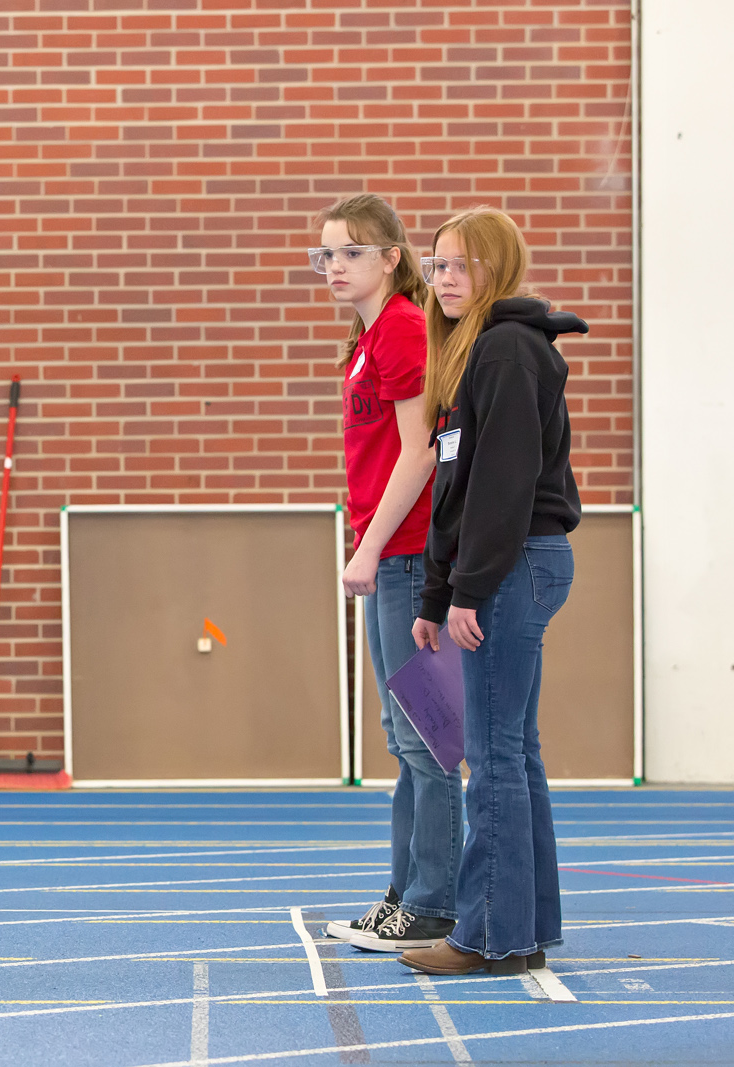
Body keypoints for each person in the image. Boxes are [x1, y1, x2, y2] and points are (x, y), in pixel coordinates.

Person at [399, 206, 584, 976]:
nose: (444, 279)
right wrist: (440, 594)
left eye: (461, 266)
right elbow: (456, 485)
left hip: (514, 563)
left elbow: (501, 487)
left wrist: (468, 590)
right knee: (515, 753)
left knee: (494, 757)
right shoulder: (479, 349)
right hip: (505, 564)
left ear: (497, 271)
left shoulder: (507, 350)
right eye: (438, 264)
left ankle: (489, 936)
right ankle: (522, 927)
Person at [309, 194, 462, 952]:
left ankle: (433, 902)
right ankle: (406, 891)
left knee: (429, 739)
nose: (333, 267)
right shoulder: (369, 338)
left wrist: (369, 546)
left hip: (405, 554)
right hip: (387, 549)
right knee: (404, 738)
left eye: (349, 253)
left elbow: (422, 448)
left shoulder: (402, 328)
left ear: (390, 258)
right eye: (325, 255)